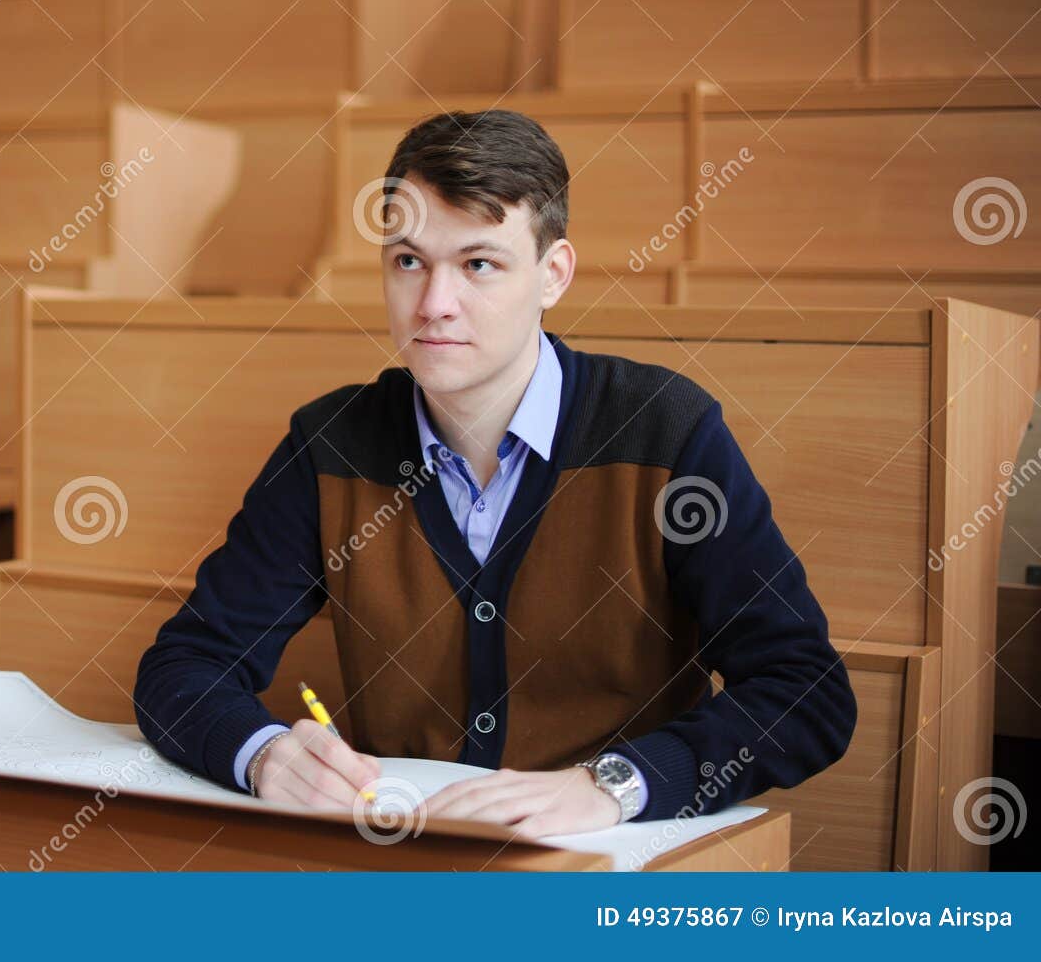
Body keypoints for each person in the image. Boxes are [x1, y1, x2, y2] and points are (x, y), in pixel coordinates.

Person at [133, 110, 857, 837]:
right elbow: (184, 667)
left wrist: (613, 784)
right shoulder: (332, 444)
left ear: (553, 275)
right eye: (408, 261)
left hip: (608, 861)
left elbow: (805, 692)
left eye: (479, 264)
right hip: (409, 864)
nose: (433, 304)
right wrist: (261, 755)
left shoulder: (668, 432)